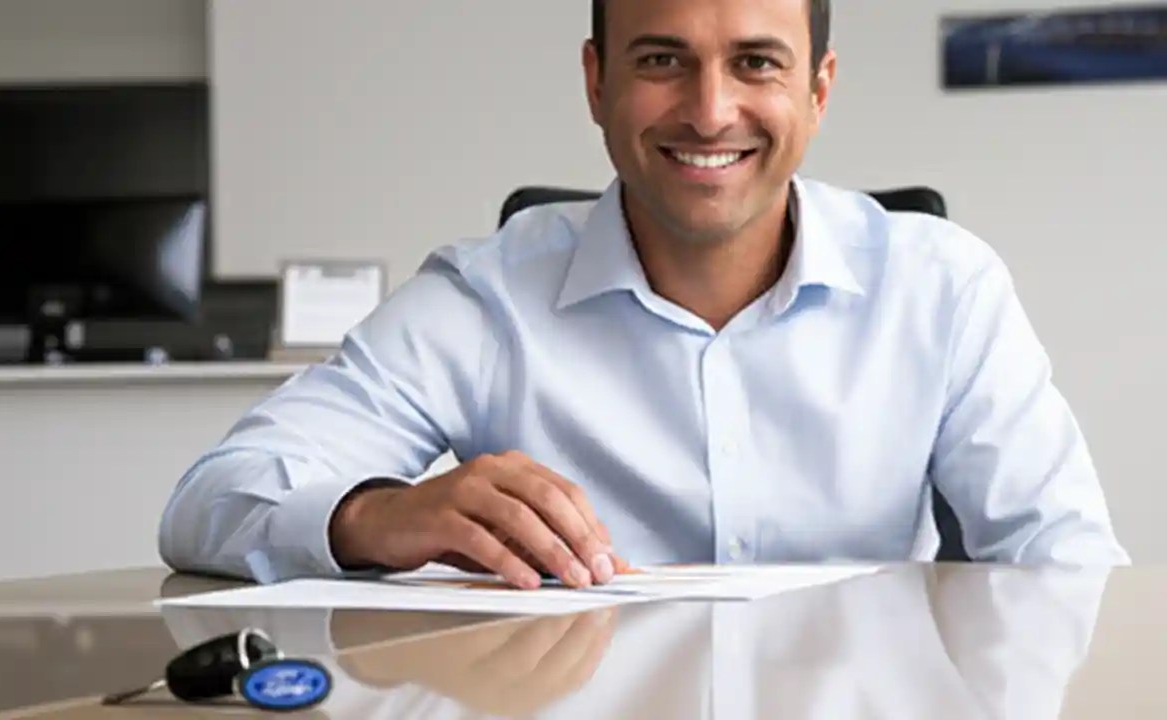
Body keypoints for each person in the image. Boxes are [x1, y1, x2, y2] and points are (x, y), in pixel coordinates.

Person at [158, 0, 1128, 589]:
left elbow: (1069, 572)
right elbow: (210, 500)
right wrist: (374, 517)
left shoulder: (942, 287)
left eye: (755, 62)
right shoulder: (485, 296)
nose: (709, 111)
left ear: (819, 90)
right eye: (661, 60)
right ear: (596, 82)